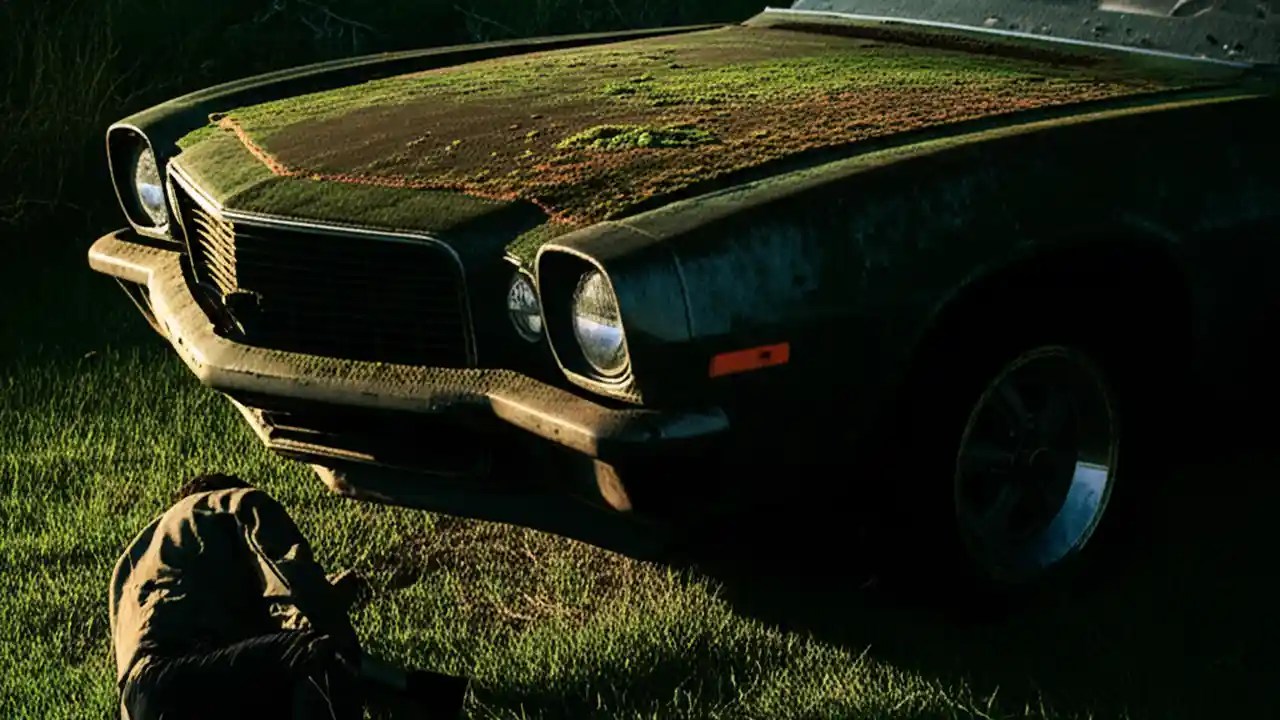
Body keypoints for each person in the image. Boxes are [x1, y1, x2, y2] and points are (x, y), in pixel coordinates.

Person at [109, 473, 468, 719]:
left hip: (146, 699)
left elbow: (250, 647)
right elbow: (290, 583)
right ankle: (427, 697)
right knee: (316, 657)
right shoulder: (227, 503)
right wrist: (331, 637)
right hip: (185, 676)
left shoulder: (136, 561)